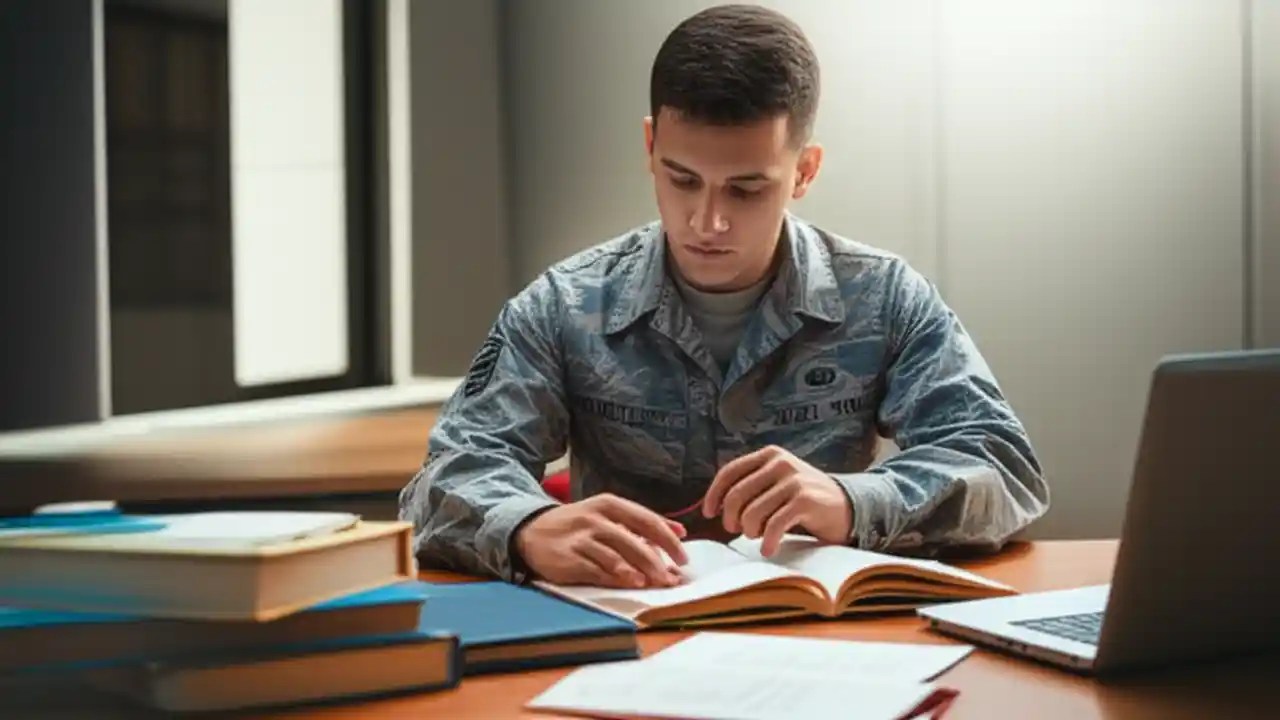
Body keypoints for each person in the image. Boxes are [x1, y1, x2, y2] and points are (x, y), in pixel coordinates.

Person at [399, 3, 1049, 590]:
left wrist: (854, 502)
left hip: (823, 635)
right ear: (650, 146)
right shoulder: (562, 306)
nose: (707, 222)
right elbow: (444, 477)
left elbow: (1004, 468)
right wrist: (526, 528)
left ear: (804, 171)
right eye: (683, 179)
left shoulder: (883, 298)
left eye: (745, 189)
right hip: (630, 626)